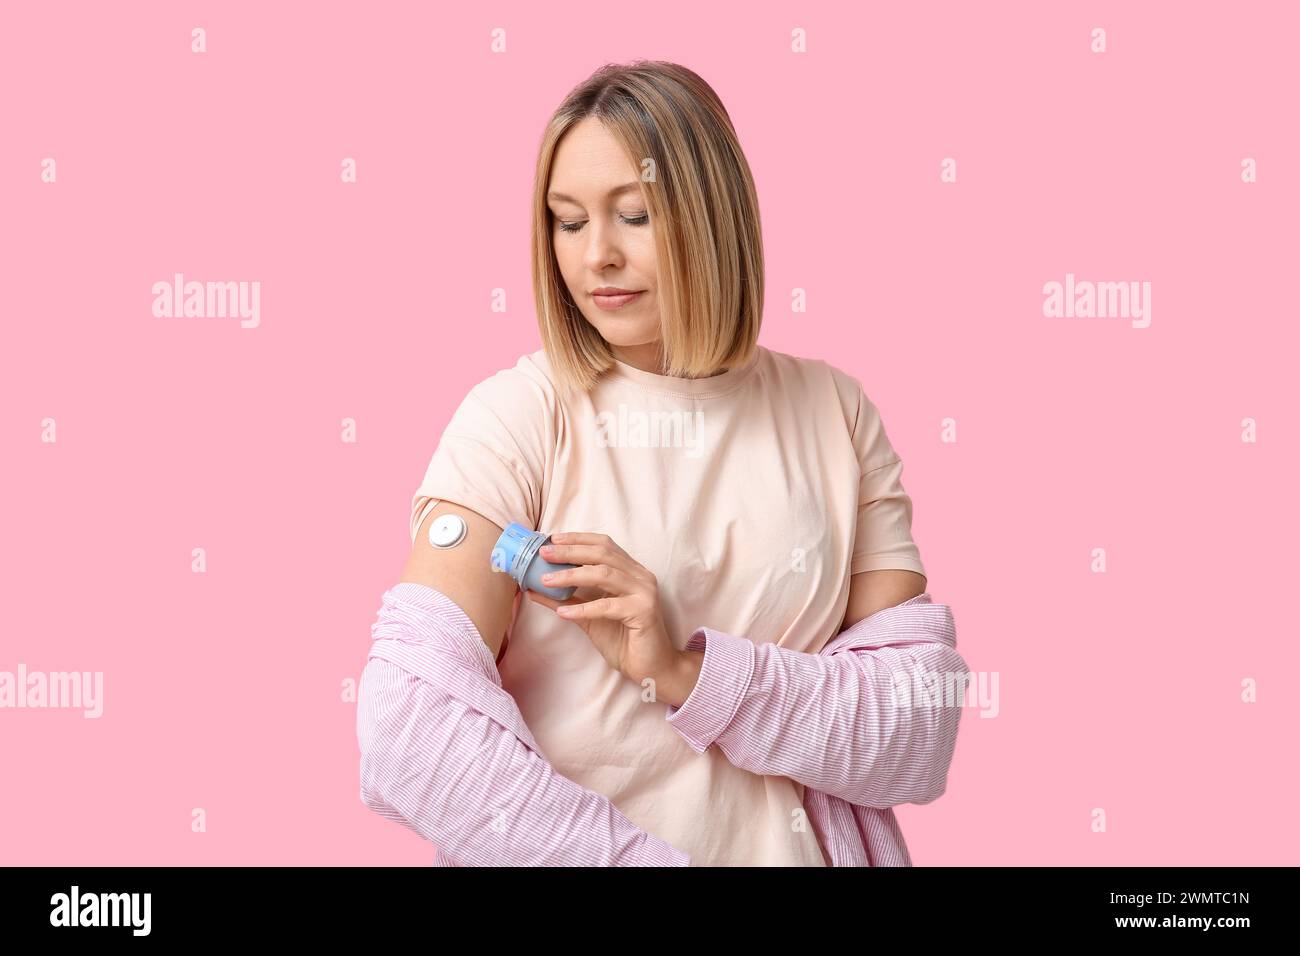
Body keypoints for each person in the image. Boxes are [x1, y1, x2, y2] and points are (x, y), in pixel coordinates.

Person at [357, 60, 950, 867]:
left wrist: (687, 674)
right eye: (567, 222)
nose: (594, 255)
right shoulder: (516, 418)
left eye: (631, 215)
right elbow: (407, 728)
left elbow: (916, 727)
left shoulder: (834, 412)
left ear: (711, 216)